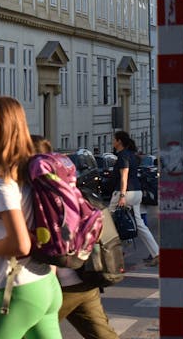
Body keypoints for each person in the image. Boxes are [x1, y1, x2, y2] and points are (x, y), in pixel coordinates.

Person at [0, 96, 62, 339]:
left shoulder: (1, 180)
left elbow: (21, 244)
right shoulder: (25, 170)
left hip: (21, 290)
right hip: (46, 284)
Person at [31, 135, 119, 339]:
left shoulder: (44, 197)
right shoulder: (73, 190)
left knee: (26, 333)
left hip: (62, 286)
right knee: (103, 335)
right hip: (86, 277)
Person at [109, 130, 159, 267]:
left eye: (114, 140)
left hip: (125, 192)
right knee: (139, 225)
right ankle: (156, 253)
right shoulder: (131, 155)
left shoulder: (123, 156)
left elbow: (124, 176)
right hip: (137, 193)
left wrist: (122, 195)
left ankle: (111, 254)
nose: (112, 142)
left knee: (107, 221)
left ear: (119, 141)